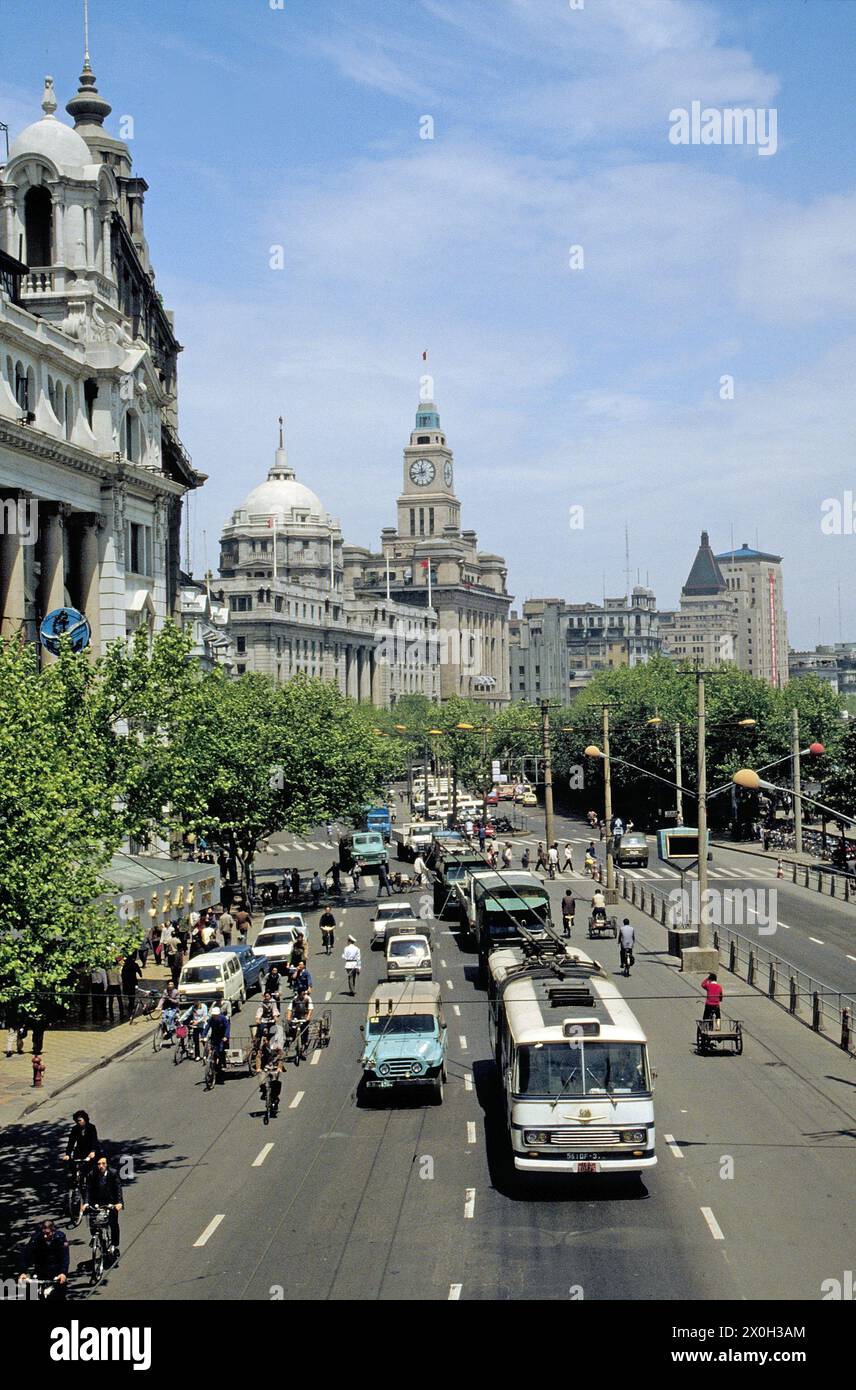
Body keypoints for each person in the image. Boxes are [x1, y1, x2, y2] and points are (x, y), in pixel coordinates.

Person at [83, 1154, 123, 1258]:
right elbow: (88, 1190)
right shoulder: (92, 1175)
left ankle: (114, 1243)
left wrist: (119, 1203)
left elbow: (118, 1189)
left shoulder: (113, 1173)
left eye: (103, 1163)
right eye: (98, 1164)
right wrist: (86, 1203)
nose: (101, 1166)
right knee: (93, 1222)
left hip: (111, 1202)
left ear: (107, 1164)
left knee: (113, 1223)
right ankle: (97, 1238)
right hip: (97, 1202)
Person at [18, 1220, 69, 1297]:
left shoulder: (60, 1239)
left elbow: (65, 1257)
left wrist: (63, 1273)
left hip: (56, 1272)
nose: (45, 1236)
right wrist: (23, 1272)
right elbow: (26, 1255)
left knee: (59, 1294)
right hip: (40, 1270)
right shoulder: (35, 1239)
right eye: (43, 1233)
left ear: (53, 1231)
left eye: (47, 1234)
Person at [204, 1005, 231, 1084]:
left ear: (219, 1014)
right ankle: (214, 1065)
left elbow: (227, 1027)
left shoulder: (223, 1019)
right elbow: (207, 1027)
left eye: (216, 1015)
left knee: (221, 1051)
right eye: (213, 1015)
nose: (214, 1016)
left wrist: (226, 1036)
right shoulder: (211, 1019)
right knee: (213, 1050)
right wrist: (203, 1036)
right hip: (214, 1036)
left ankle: (223, 1065)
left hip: (222, 1037)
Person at [253, 993, 281, 1070]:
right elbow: (260, 1010)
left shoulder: (273, 1001)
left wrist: (275, 1017)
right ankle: (258, 1040)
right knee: (260, 1028)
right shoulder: (262, 1002)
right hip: (264, 1020)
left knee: (272, 1035)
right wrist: (258, 1018)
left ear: (270, 997)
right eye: (265, 996)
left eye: (268, 996)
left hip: (271, 1020)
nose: (267, 998)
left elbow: (274, 1010)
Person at [287, 988, 314, 1058]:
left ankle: (304, 1043)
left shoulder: (308, 998)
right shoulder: (294, 999)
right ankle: (292, 1039)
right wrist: (288, 1017)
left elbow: (310, 1009)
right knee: (292, 1027)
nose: (304, 995)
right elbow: (290, 1009)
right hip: (296, 1016)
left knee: (304, 1030)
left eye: (304, 994)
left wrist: (308, 1017)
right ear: (299, 994)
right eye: (302, 994)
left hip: (304, 1017)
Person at [121, 952, 142, 1019]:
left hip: (126, 982)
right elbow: (139, 971)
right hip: (133, 981)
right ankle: (131, 1004)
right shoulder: (134, 964)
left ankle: (130, 1004)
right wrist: (140, 975)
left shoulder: (125, 965)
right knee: (132, 994)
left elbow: (122, 974)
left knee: (128, 993)